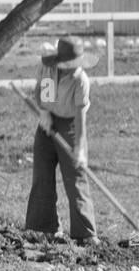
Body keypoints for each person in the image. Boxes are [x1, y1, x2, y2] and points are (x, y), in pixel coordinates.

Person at [25, 37, 100, 244]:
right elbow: (43, 95)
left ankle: (86, 233)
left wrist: (80, 148)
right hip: (48, 122)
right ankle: (44, 228)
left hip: (70, 125)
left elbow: (79, 116)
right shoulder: (49, 68)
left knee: (75, 177)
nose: (69, 68)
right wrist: (44, 113)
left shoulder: (80, 80)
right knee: (42, 173)